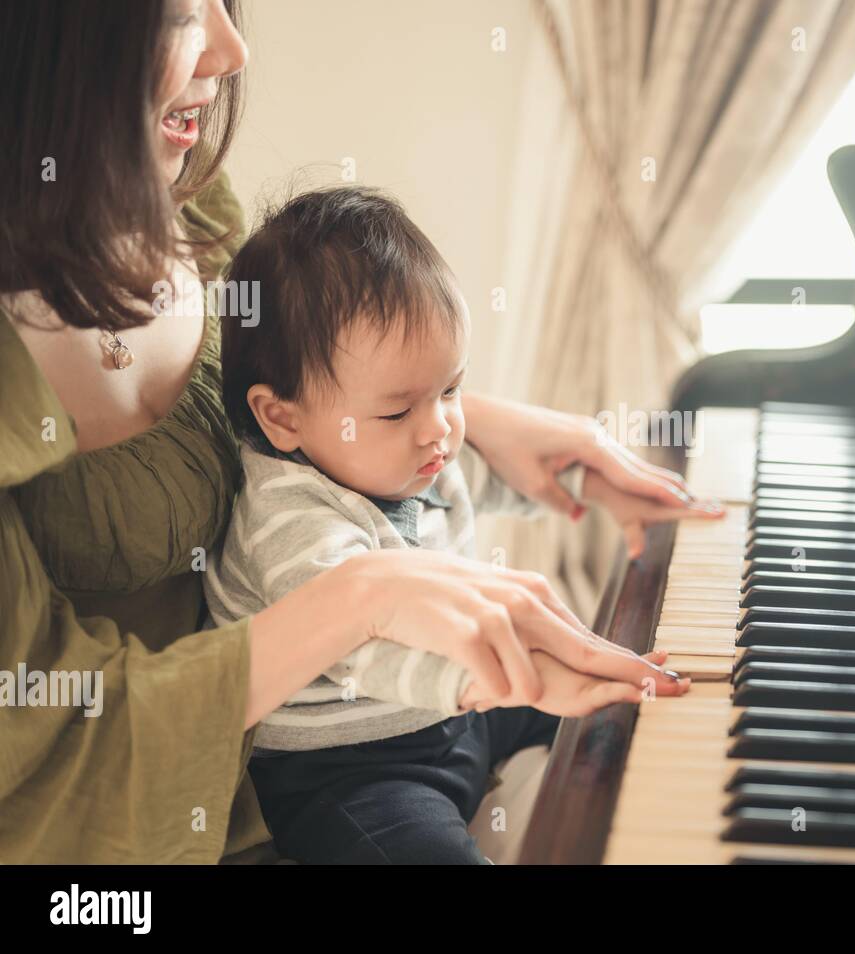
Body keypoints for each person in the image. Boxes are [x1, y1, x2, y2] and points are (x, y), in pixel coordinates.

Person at [0, 0, 718, 863]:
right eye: (179, 18)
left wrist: (479, 424)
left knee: (646, 706)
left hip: (412, 723)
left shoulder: (185, 199)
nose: (230, 52)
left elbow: (329, 404)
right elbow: (56, 750)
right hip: (234, 803)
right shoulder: (292, 531)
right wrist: (446, 643)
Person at [205, 186, 716, 863]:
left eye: (449, 389)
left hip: (461, 711)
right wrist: (513, 673)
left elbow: (505, 476)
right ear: (282, 417)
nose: (440, 428)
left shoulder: (422, 454)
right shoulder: (289, 518)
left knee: (625, 703)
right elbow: (369, 645)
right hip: (354, 770)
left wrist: (602, 488)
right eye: (396, 412)